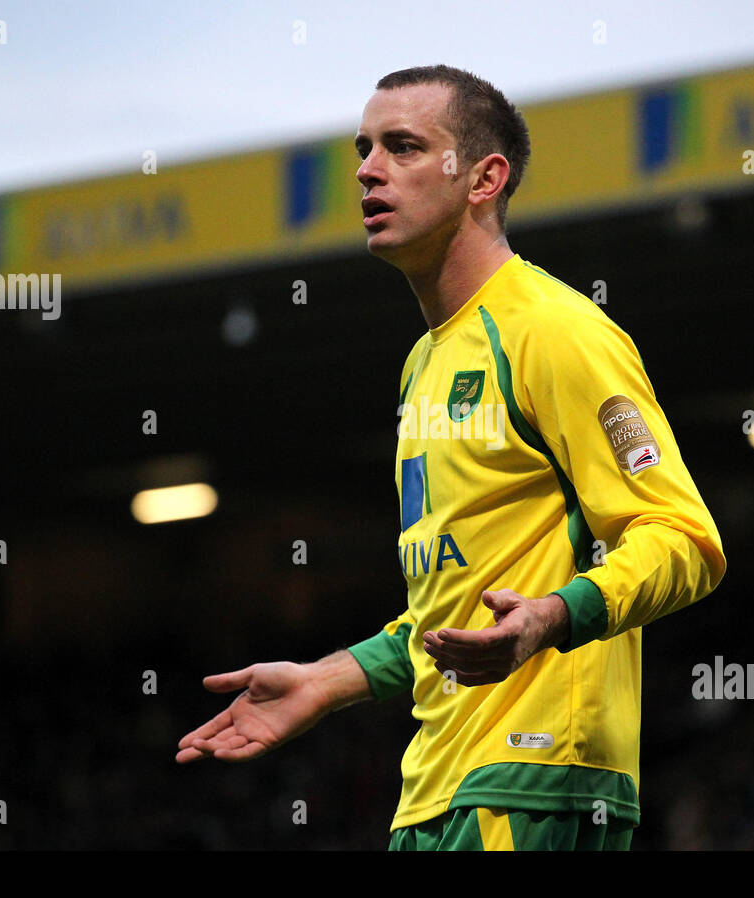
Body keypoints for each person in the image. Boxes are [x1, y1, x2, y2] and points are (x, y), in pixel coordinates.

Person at [177, 65, 726, 851]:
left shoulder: (556, 331)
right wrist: (326, 682)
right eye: (364, 149)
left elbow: (685, 538)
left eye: (402, 146)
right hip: (437, 786)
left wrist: (552, 616)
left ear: (483, 177)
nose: (368, 169)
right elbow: (450, 618)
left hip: (534, 780)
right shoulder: (423, 364)